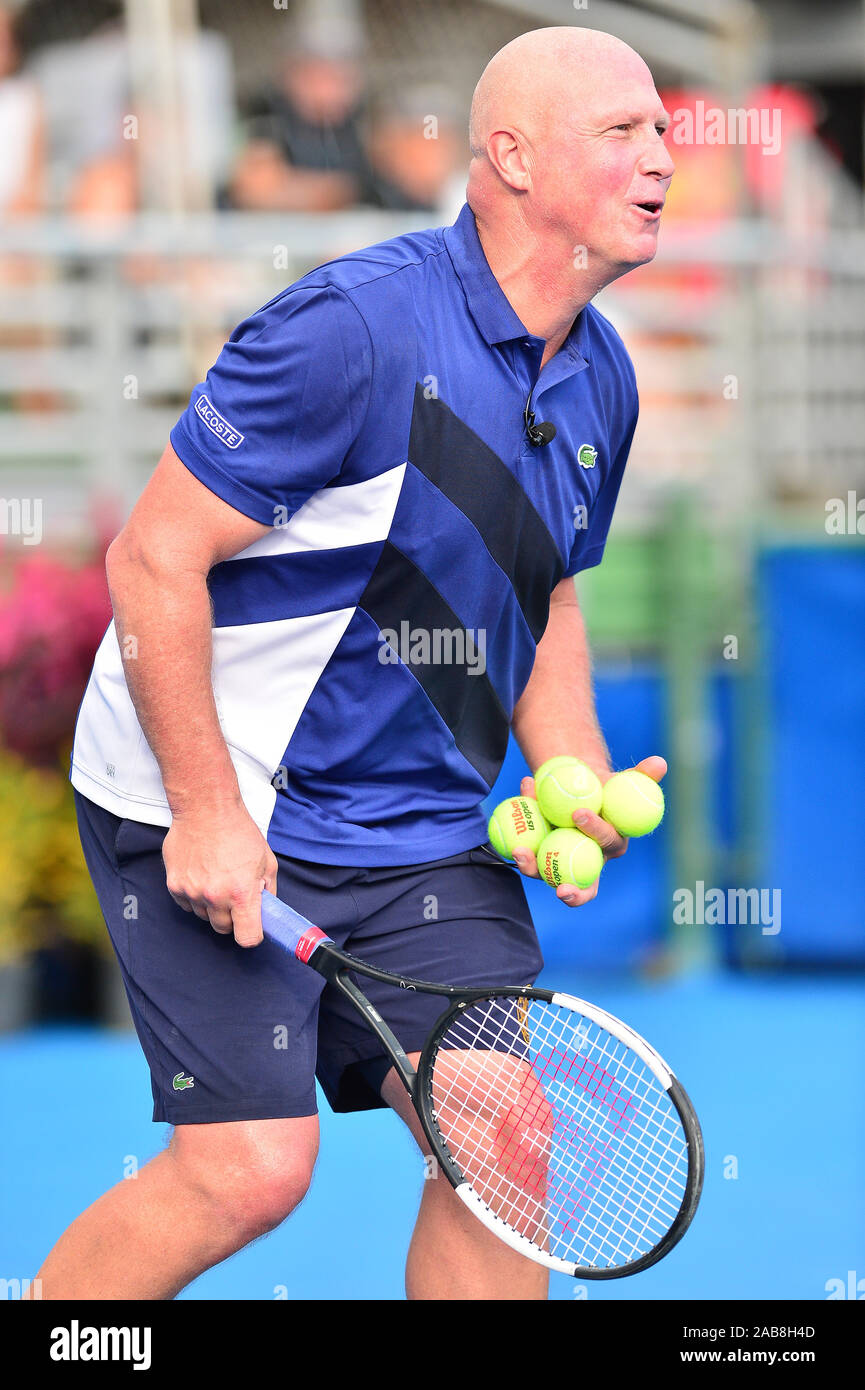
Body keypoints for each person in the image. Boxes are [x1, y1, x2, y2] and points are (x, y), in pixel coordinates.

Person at [40, 26, 674, 1301]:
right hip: (214, 792)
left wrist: (575, 769)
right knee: (248, 1171)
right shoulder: (353, 332)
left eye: (662, 129)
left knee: (508, 1139)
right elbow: (152, 559)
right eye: (623, 132)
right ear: (510, 156)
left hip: (419, 829)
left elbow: (540, 591)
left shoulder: (601, 377)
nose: (664, 157)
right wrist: (209, 813)